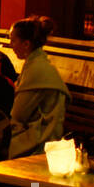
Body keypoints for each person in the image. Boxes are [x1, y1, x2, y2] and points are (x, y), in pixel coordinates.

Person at [8, 15, 70, 157]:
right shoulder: (38, 63)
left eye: (13, 40)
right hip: (45, 135)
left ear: (26, 44)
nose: (11, 45)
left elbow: (18, 114)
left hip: (39, 142)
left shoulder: (36, 69)